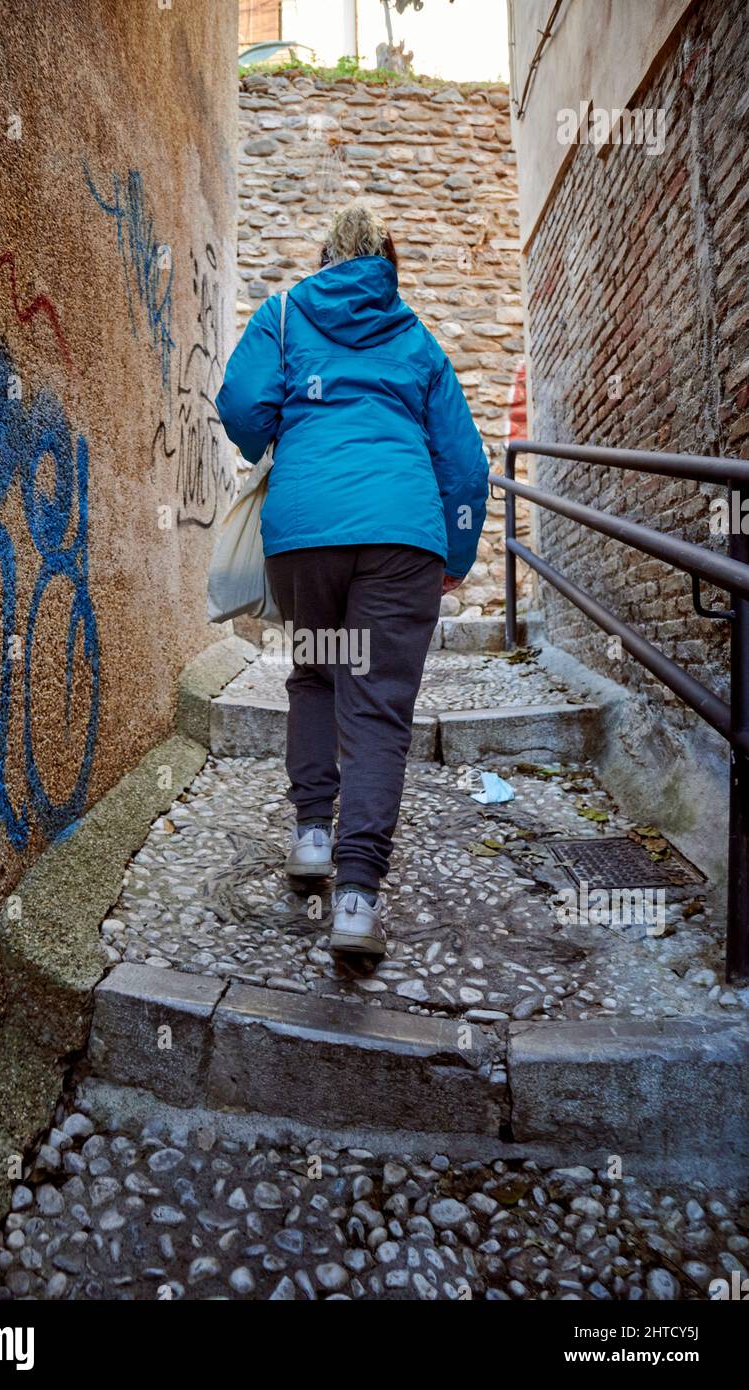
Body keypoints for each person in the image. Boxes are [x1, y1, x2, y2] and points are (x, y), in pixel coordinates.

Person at [216, 203, 488, 957]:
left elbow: (240, 406)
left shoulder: (283, 315)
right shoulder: (416, 341)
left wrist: (267, 437)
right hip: (402, 541)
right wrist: (455, 558)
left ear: (326, 255)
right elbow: (465, 466)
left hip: (306, 536)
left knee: (316, 675)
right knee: (377, 711)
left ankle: (310, 836)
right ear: (386, 262)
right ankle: (358, 902)